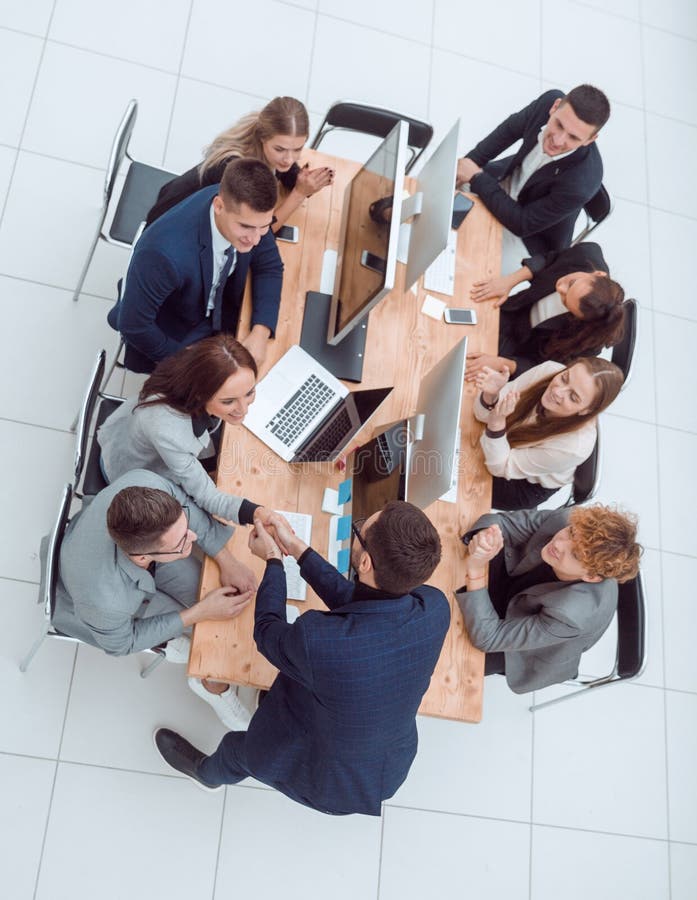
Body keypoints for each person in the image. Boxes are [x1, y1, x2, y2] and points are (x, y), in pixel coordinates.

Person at [153, 501, 451, 815]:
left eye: (359, 530)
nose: (357, 530)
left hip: (331, 778)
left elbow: (267, 631)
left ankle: (206, 774)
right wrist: (297, 549)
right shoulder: (433, 607)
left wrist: (273, 561)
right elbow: (363, 606)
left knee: (237, 751)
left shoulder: (322, 642)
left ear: (364, 563)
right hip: (386, 755)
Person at [49, 469, 263, 728]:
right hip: (106, 601)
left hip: (129, 560)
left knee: (217, 598)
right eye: (182, 541)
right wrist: (199, 612)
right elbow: (122, 643)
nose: (193, 538)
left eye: (185, 528)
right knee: (204, 632)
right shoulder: (105, 604)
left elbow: (188, 511)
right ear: (144, 557)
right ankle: (206, 680)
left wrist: (225, 559)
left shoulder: (143, 484)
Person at [107, 157, 283, 374]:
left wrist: (261, 332)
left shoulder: (251, 216)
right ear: (219, 206)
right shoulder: (163, 255)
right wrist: (188, 362)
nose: (256, 239)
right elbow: (135, 326)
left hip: (218, 308)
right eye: (246, 228)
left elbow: (270, 266)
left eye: (263, 227)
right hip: (175, 333)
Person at [456, 504, 642, 693]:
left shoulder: (572, 616)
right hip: (518, 590)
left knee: (453, 655)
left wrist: (476, 570)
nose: (559, 544)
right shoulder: (571, 520)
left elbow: (489, 637)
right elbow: (502, 523)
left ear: (591, 577)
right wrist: (485, 538)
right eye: (571, 533)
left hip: (525, 648)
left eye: (575, 554)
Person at [98, 334, 262, 523]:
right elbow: (207, 496)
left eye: (249, 393)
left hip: (138, 436)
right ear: (201, 395)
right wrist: (255, 513)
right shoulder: (168, 430)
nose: (244, 409)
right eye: (228, 401)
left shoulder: (193, 363)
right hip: (131, 473)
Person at [456, 85, 609, 271]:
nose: (558, 141)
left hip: (528, 236)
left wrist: (476, 177)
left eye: (573, 138)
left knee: (473, 270)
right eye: (559, 125)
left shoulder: (582, 184)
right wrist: (466, 167)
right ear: (555, 107)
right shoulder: (547, 101)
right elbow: (506, 133)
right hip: (500, 183)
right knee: (437, 202)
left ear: (589, 140)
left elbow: (522, 223)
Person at [146, 96, 334, 231]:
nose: (289, 159)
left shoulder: (260, 136)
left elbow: (284, 168)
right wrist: (299, 193)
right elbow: (260, 231)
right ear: (263, 138)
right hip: (171, 225)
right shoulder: (237, 169)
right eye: (280, 149)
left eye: (297, 149)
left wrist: (299, 179)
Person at [472, 357, 623, 510]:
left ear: (587, 411)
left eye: (573, 397)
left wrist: (497, 422)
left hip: (520, 483)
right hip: (504, 438)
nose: (557, 391)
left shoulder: (574, 447)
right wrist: (491, 396)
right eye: (564, 378)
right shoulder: (549, 370)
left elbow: (500, 467)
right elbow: (481, 415)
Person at [467, 241, 627, 378]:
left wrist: (502, 363)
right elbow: (548, 260)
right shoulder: (586, 255)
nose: (560, 288)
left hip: (517, 351)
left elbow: (543, 370)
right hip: (515, 308)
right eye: (571, 283)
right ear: (598, 274)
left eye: (565, 302)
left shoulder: (589, 340)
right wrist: (509, 282)